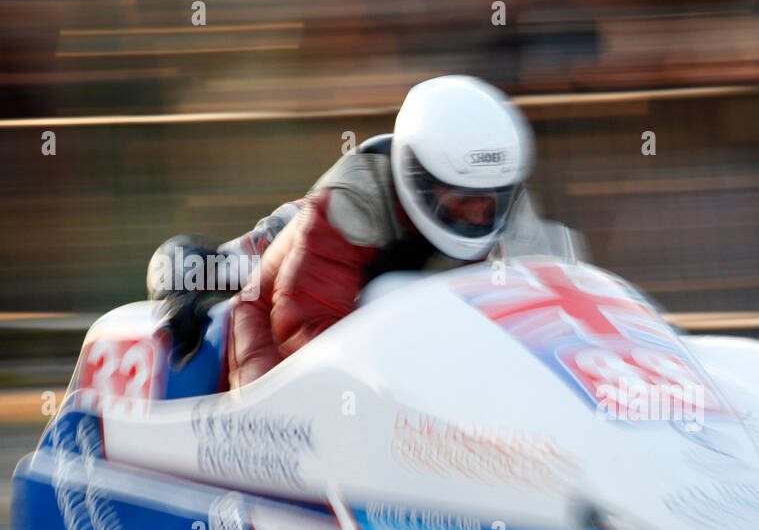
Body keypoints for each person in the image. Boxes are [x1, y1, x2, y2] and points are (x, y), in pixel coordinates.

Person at [146, 75, 547, 387]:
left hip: (398, 306)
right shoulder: (340, 213)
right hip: (305, 251)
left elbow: (552, 297)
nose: (479, 216)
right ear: (420, 178)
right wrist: (177, 281)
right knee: (228, 279)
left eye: (490, 200)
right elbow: (189, 263)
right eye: (461, 199)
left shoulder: (507, 201)